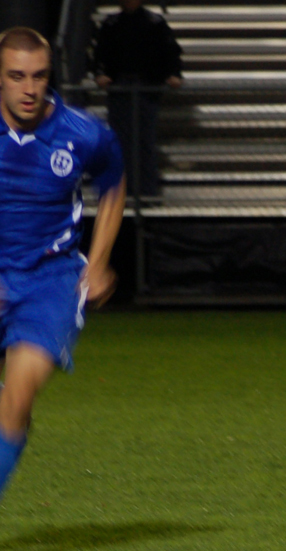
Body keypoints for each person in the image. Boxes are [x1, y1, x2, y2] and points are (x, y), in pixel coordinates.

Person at [0, 27, 126, 499]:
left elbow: (113, 187)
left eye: (38, 76)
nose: (29, 89)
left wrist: (98, 262)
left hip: (50, 281)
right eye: (16, 76)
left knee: (19, 399)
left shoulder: (83, 133)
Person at [93, 0, 182, 199]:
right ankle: (122, 192)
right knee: (120, 141)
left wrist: (173, 73)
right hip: (120, 87)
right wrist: (100, 73)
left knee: (145, 141)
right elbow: (101, 54)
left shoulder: (154, 22)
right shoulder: (111, 24)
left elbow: (170, 51)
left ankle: (147, 191)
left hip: (146, 86)